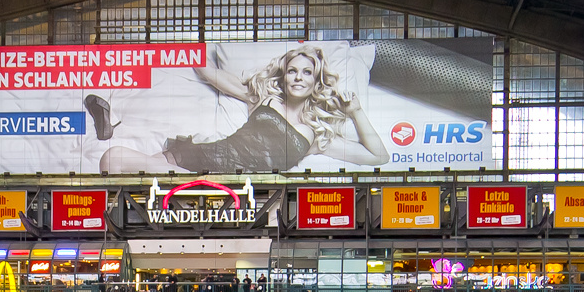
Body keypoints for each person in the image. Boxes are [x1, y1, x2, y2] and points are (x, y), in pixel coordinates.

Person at [95, 47, 387, 173]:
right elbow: (211, 74)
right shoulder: (262, 99)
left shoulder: (317, 136)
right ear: (283, 76)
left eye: (307, 72)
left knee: (120, 163)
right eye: (292, 71)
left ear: (316, 79)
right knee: (111, 159)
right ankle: (112, 127)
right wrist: (190, 40)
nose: (298, 77)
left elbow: (379, 156)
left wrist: (356, 111)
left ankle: (112, 126)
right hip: (195, 159)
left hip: (228, 187)